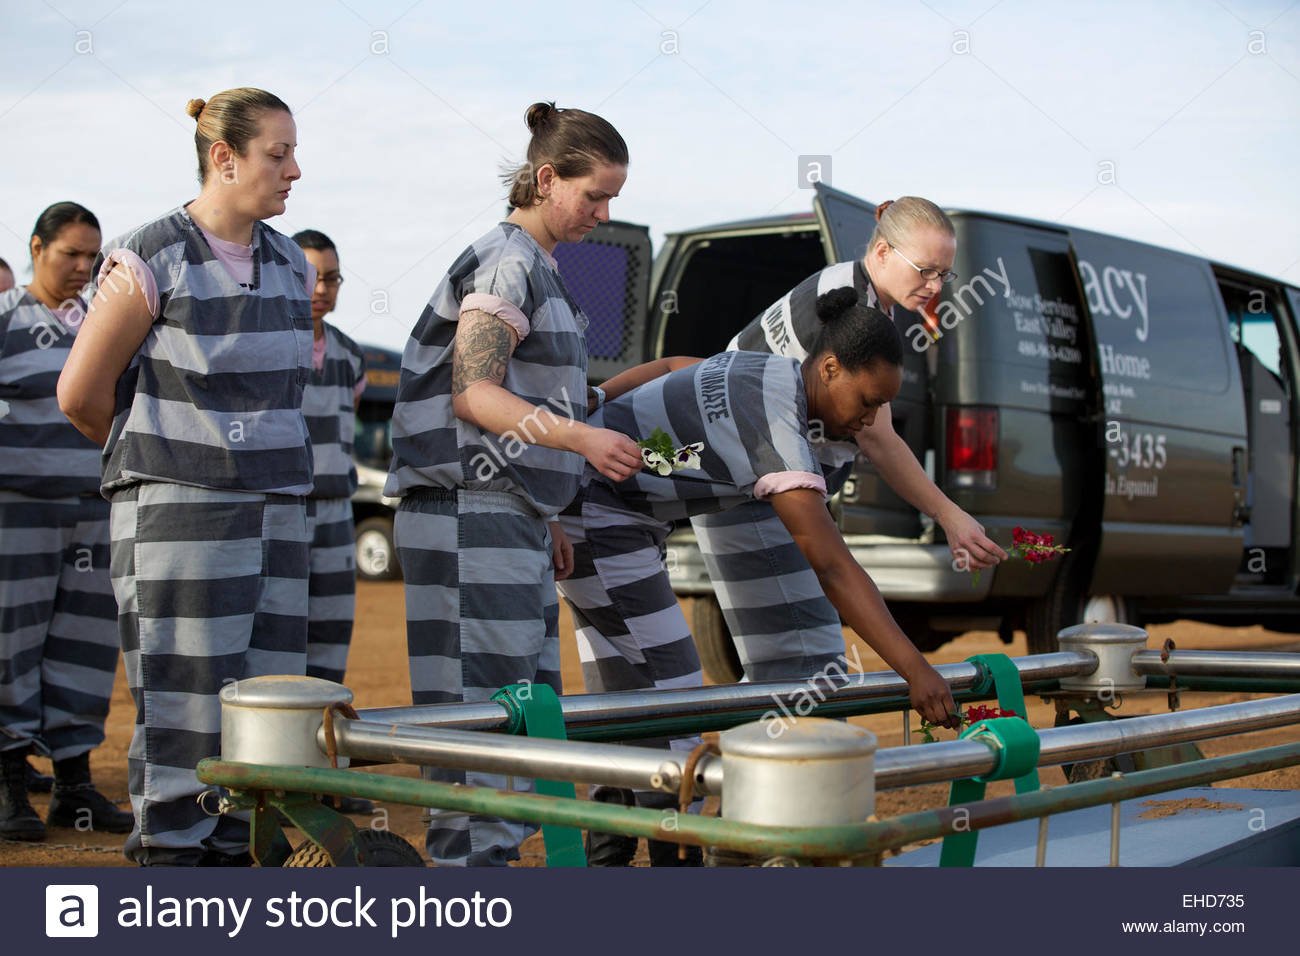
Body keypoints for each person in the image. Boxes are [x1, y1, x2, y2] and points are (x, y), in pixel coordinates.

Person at [559, 289, 963, 864]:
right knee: (675, 694)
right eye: (868, 401)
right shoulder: (779, 431)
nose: (871, 421)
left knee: (627, 696)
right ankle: (677, 866)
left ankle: (610, 857)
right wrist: (915, 671)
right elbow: (832, 566)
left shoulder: (765, 368)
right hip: (600, 521)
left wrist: (595, 403)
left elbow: (676, 366)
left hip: (595, 514)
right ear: (829, 367)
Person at [58, 88, 316, 866]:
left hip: (277, 515)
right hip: (180, 518)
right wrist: (171, 457)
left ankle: (238, 854)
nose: (294, 170)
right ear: (223, 156)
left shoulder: (289, 264)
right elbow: (80, 394)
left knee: (263, 706)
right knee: (184, 709)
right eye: (278, 154)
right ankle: (171, 868)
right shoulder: (150, 255)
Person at [384, 101, 644, 867]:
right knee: (483, 712)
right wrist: (581, 438)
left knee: (522, 707)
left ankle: (487, 870)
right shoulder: (509, 261)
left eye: (612, 200)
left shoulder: (541, 268)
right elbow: (475, 393)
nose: (602, 213)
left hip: (503, 512)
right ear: (544, 178)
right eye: (593, 195)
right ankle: (472, 881)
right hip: (467, 510)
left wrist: (545, 504)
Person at [692, 197, 1007, 680]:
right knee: (807, 659)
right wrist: (950, 515)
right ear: (882, 252)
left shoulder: (853, 290)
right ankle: (787, 752)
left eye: (945, 275)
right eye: (925, 270)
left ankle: (780, 747)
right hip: (746, 487)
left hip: (755, 482)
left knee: (794, 660)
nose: (935, 286)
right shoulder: (852, 313)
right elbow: (879, 440)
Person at [0, 202, 132, 841]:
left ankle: (75, 788)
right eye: (70, 254)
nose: (83, 267)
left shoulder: (106, 323)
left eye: (92, 255)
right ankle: (8, 785)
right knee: (10, 646)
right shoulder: (5, 321)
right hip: (16, 515)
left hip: (95, 512)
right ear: (35, 248)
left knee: (84, 650)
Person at [291, 228, 372, 817]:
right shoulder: (269, 341)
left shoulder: (349, 355)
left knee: (328, 642)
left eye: (333, 277)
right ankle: (278, 772)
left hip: (337, 516)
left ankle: (321, 774)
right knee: (277, 646)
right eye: (310, 276)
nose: (322, 288)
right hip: (282, 514)